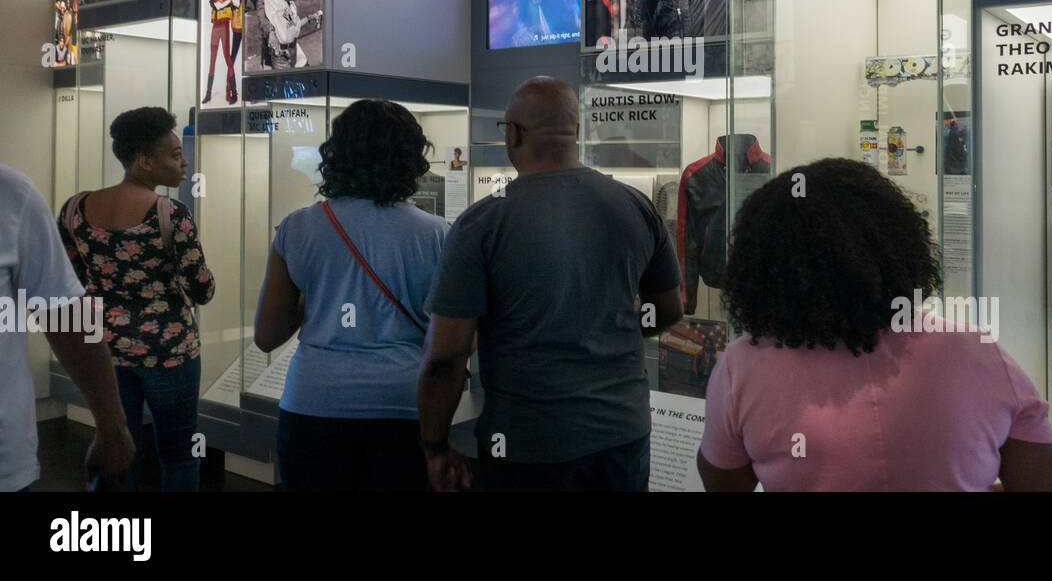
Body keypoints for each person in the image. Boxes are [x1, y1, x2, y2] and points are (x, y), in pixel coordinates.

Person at [697, 158, 1052, 492]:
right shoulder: (975, 350)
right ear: (901, 242)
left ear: (761, 265)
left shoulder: (742, 365)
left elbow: (723, 481)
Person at [418, 77, 684, 492]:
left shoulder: (482, 223)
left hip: (527, 444)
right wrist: (606, 332)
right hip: (623, 435)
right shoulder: (634, 205)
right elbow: (669, 309)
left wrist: (434, 446)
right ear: (576, 132)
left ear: (512, 133)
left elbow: (446, 356)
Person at [254, 100, 449, 492]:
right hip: (403, 406)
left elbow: (267, 335)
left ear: (335, 154)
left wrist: (321, 294)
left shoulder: (297, 228)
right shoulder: (438, 233)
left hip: (314, 404)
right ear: (411, 158)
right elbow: (451, 339)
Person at [57, 108, 215, 491]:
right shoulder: (172, 214)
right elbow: (202, 290)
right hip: (171, 352)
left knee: (116, 446)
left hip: (104, 350)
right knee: (179, 454)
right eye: (175, 154)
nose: (185, 160)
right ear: (145, 161)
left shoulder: (75, 208)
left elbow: (72, 280)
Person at [2, 163, 137, 492]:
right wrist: (112, 427)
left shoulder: (12, 194)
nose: (184, 163)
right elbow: (65, 311)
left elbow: (65, 312)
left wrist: (112, 427)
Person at [262, 0, 321, 69]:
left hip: (295, 49)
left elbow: (293, 24)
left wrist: (310, 17)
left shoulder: (288, 2)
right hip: (282, 56)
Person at [203, 0, 240, 104]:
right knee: (212, 59)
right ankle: (208, 93)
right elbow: (214, 0)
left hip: (224, 24)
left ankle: (234, 92)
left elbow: (222, 2)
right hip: (215, 24)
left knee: (227, 58)